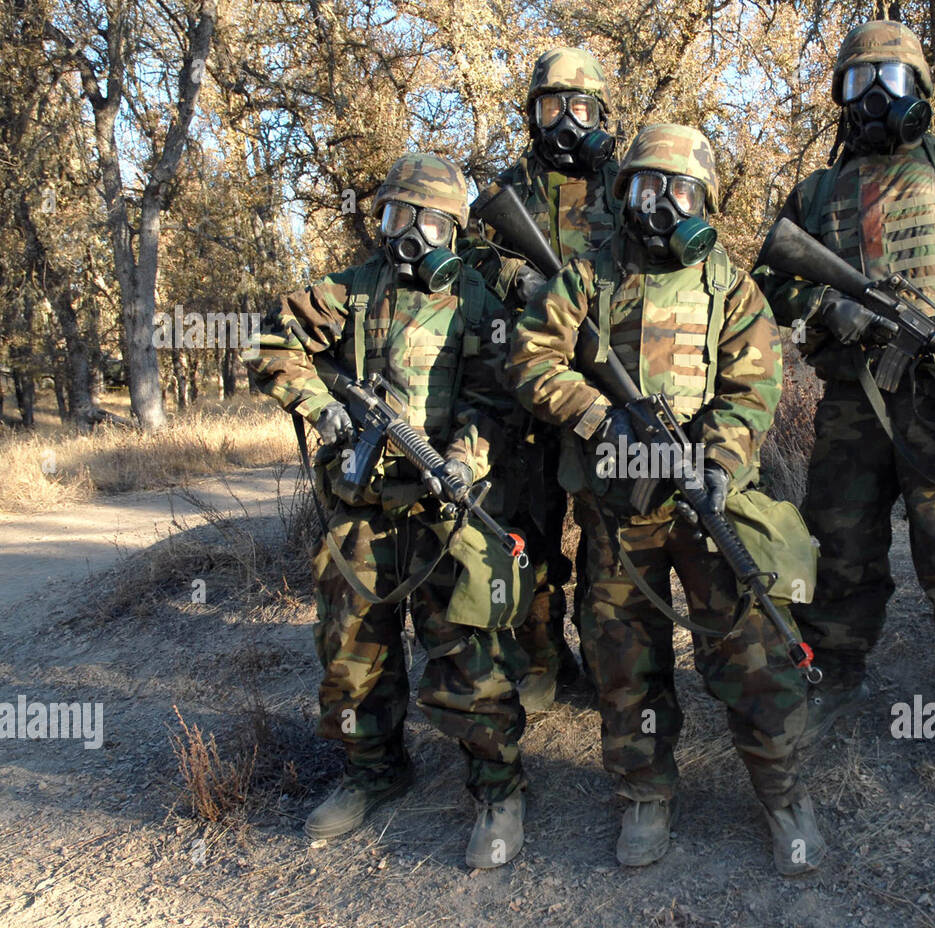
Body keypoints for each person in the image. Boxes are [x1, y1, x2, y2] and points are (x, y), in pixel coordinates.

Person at [509, 124, 825, 875]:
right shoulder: (586, 277)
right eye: (645, 188)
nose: (659, 205)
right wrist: (597, 415)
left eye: (677, 190)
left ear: (703, 200)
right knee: (624, 659)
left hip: (703, 503)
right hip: (616, 510)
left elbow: (754, 389)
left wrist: (716, 459)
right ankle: (645, 794)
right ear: (624, 196)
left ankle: (783, 795)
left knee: (751, 655)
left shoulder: (730, 285)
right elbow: (530, 359)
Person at [754, 20, 935, 766]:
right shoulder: (817, 193)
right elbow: (768, 281)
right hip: (852, 400)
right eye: (859, 82)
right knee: (838, 545)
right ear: (840, 96)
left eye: (892, 80)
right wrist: (826, 308)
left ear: (920, 89)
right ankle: (836, 675)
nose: (876, 96)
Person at [243, 153, 533, 867]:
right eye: (396, 215)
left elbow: (497, 400)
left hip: (444, 510)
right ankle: (371, 772)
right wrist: (323, 412)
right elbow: (272, 343)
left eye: (427, 220)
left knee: (471, 654)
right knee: (352, 655)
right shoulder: (347, 290)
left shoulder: (475, 301)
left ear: (454, 230)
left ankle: (497, 787)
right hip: (361, 511)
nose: (407, 231)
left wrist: (462, 461)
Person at [462, 47, 622, 712]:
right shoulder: (508, 188)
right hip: (521, 382)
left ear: (601, 113)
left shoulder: (627, 181)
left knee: (605, 527)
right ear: (533, 115)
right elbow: (470, 252)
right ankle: (541, 657)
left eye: (579, 107)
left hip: (602, 381)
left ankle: (610, 657)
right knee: (529, 522)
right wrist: (517, 279)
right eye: (551, 107)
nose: (565, 122)